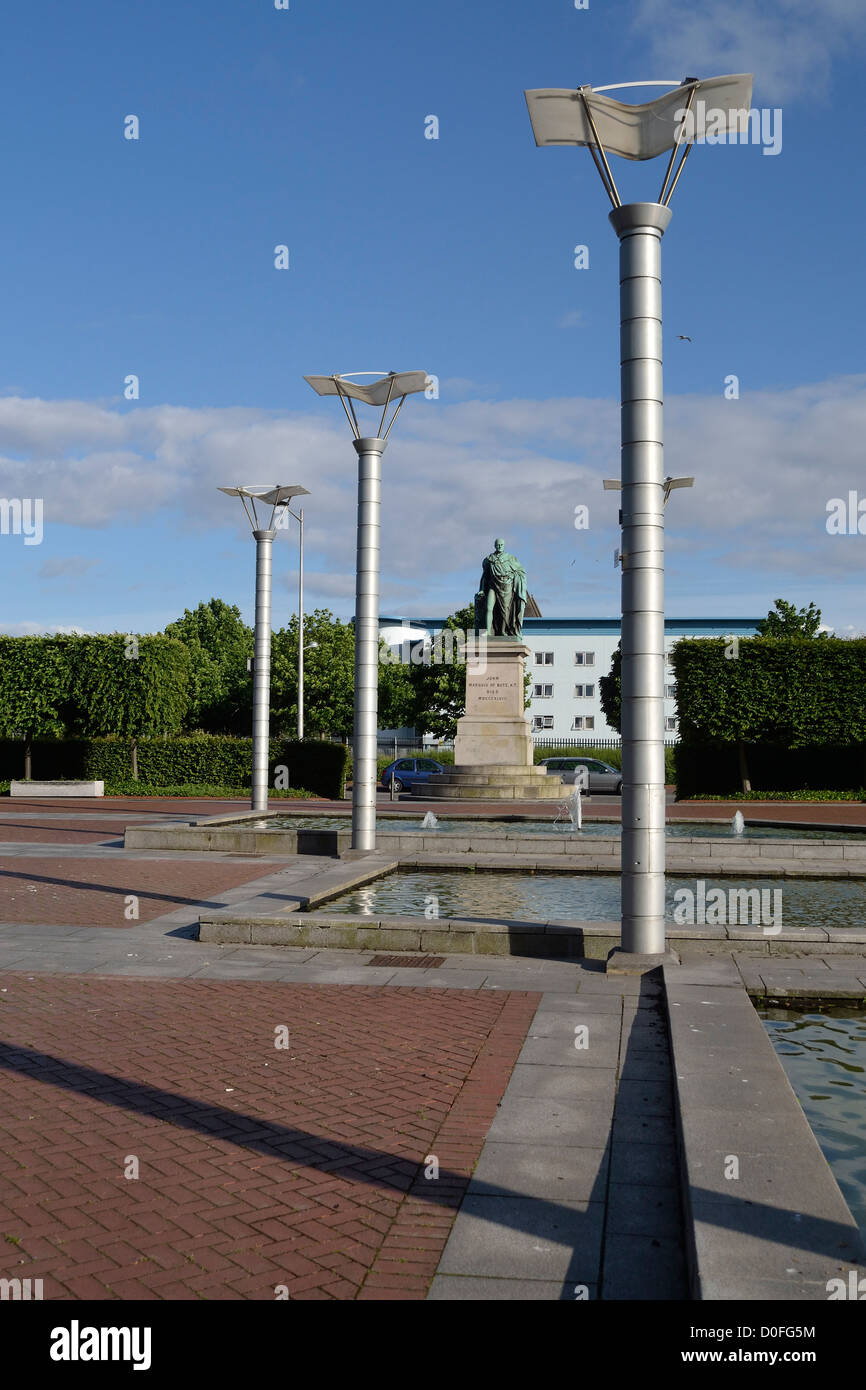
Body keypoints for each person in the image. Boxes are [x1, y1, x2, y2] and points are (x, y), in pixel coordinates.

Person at [475, 538, 527, 637]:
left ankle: (503, 631)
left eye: (501, 545)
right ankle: (488, 631)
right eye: (498, 545)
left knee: (505, 611)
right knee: (489, 607)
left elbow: (520, 571)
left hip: (506, 587)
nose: (499, 546)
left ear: (504, 546)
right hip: (493, 586)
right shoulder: (489, 559)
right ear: (495, 545)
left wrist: (514, 578)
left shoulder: (510, 558)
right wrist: (481, 589)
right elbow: (485, 576)